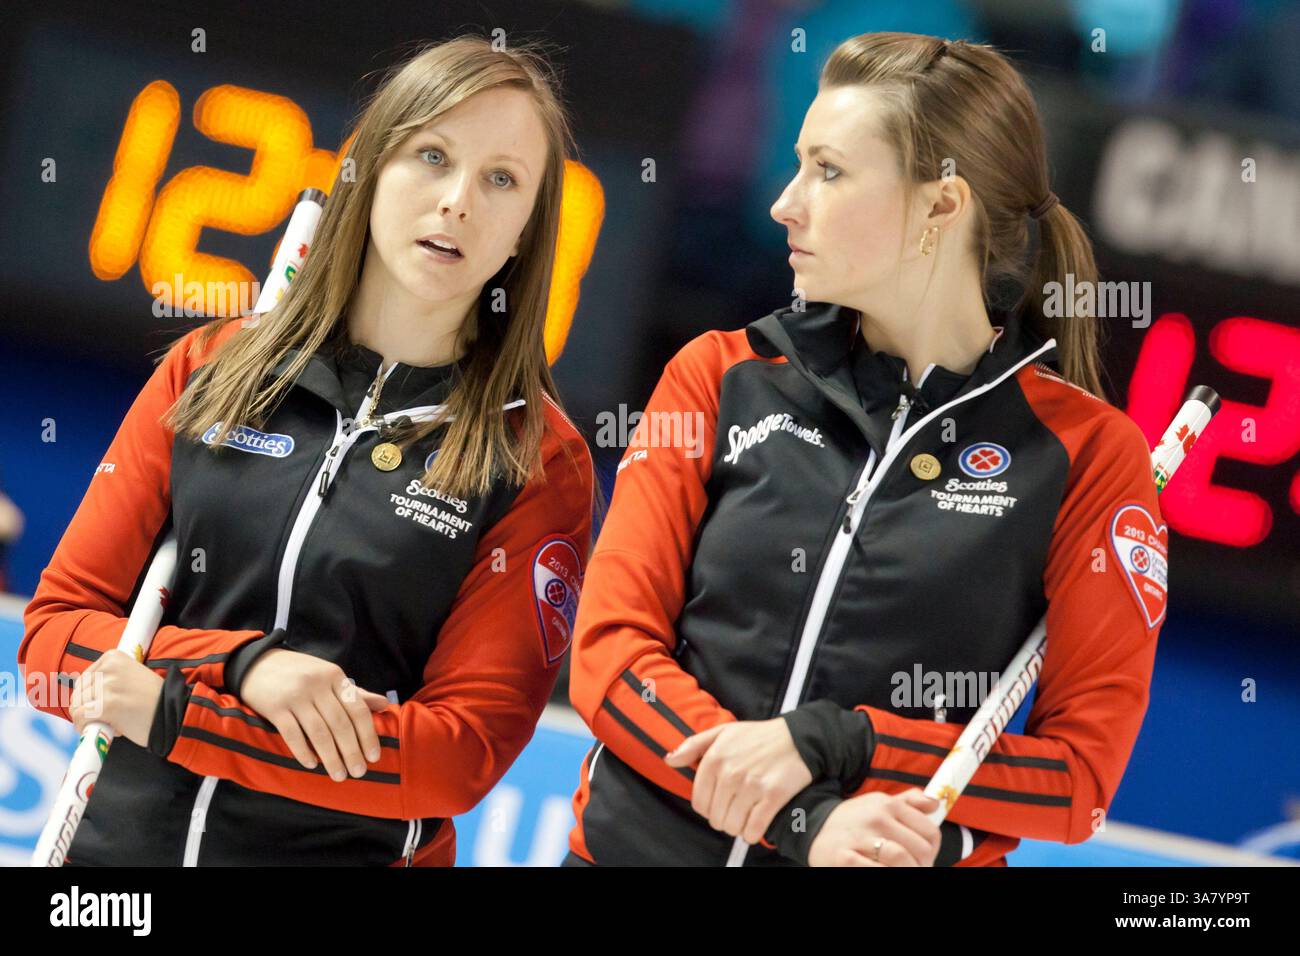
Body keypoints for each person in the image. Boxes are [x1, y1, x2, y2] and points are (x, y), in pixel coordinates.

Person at [564, 32, 1167, 866]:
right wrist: (807, 820)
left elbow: (1076, 784)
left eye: (829, 171)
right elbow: (609, 662)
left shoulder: (1088, 456)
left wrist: (842, 742)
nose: (786, 202)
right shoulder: (721, 376)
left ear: (940, 207)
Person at [20, 35, 594, 866]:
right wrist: (244, 665)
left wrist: (177, 711)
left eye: (501, 179)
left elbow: (455, 757)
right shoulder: (209, 368)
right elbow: (50, 645)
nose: (459, 200)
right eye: (431, 155)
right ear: (365, 173)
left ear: (528, 231)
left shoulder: (538, 458)